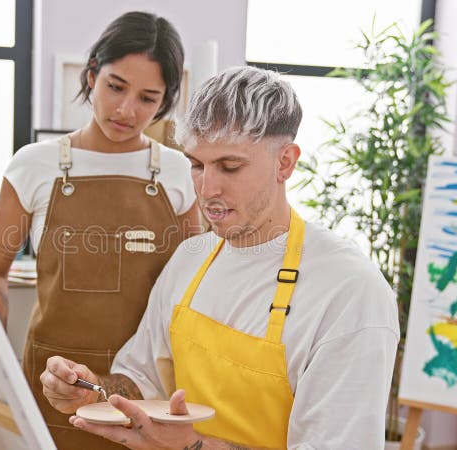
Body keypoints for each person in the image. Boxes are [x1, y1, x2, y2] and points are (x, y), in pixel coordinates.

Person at [39, 66, 400, 449]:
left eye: (230, 166)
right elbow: (140, 382)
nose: (207, 189)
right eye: (197, 165)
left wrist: (192, 447)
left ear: (285, 163)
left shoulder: (348, 292)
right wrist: (92, 391)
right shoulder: (191, 258)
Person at [0, 11, 199, 449]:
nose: (125, 109)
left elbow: (192, 291)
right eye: (116, 87)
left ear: (165, 101)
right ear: (92, 73)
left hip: (145, 393)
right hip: (53, 386)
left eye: (147, 98)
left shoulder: (176, 171)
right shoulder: (34, 165)